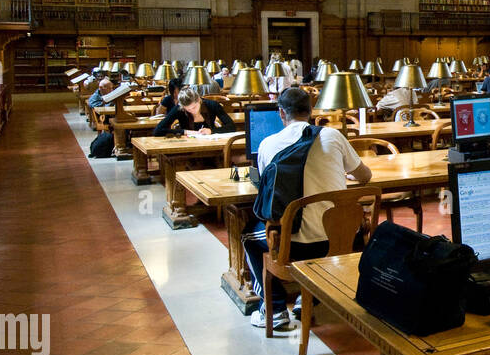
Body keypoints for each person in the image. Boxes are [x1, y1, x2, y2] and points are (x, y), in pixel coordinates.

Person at [243, 87, 373, 329]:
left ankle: (275, 308)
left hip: (294, 246)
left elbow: (266, 188)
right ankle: (308, 296)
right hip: (339, 241)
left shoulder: (268, 144)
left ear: (281, 113)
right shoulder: (333, 136)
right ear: (311, 111)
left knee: (249, 236)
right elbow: (365, 175)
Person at [152, 86, 237, 136]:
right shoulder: (179, 109)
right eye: (188, 109)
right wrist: (185, 132)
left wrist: (211, 131)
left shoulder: (212, 105)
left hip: (211, 144)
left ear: (199, 100)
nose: (192, 111)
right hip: (187, 147)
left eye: (194, 107)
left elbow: (231, 127)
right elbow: (158, 130)